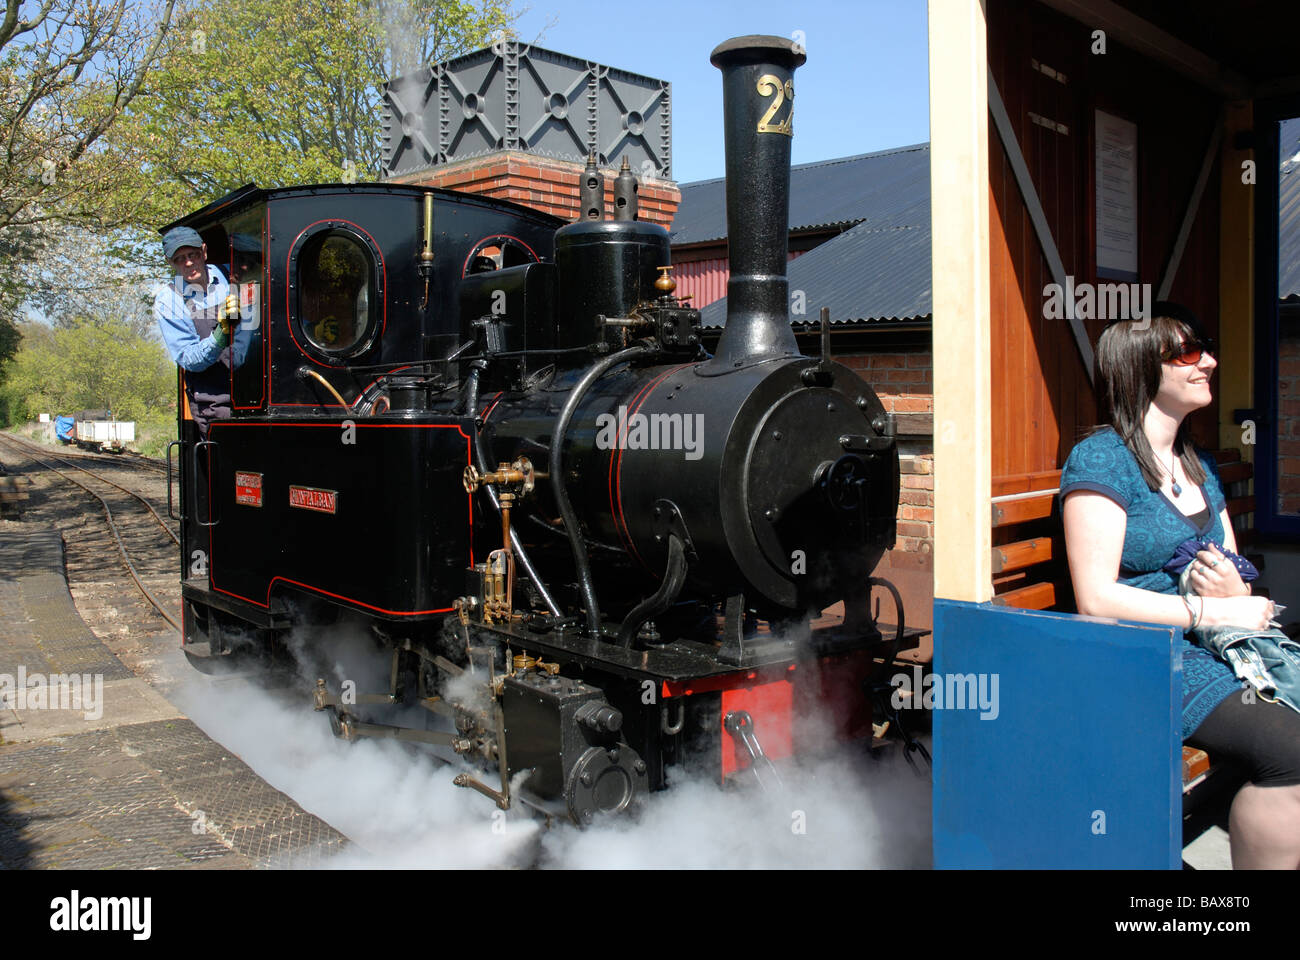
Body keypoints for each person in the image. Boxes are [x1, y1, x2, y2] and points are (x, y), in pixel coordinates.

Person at [1060, 303, 1300, 869]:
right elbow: (1096, 599)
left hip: (1212, 645)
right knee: (1291, 753)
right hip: (1144, 656)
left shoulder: (1195, 462)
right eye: (1189, 352)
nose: (1208, 362)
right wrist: (1214, 612)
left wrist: (1235, 594)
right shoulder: (1102, 460)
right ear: (1142, 366)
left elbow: (1232, 567)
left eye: (1206, 349)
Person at [153, 226, 249, 435]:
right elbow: (188, 358)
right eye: (179, 259)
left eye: (193, 255)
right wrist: (221, 334)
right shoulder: (169, 300)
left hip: (253, 388)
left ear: (204, 251)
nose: (188, 263)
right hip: (215, 401)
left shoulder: (231, 274)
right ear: (170, 262)